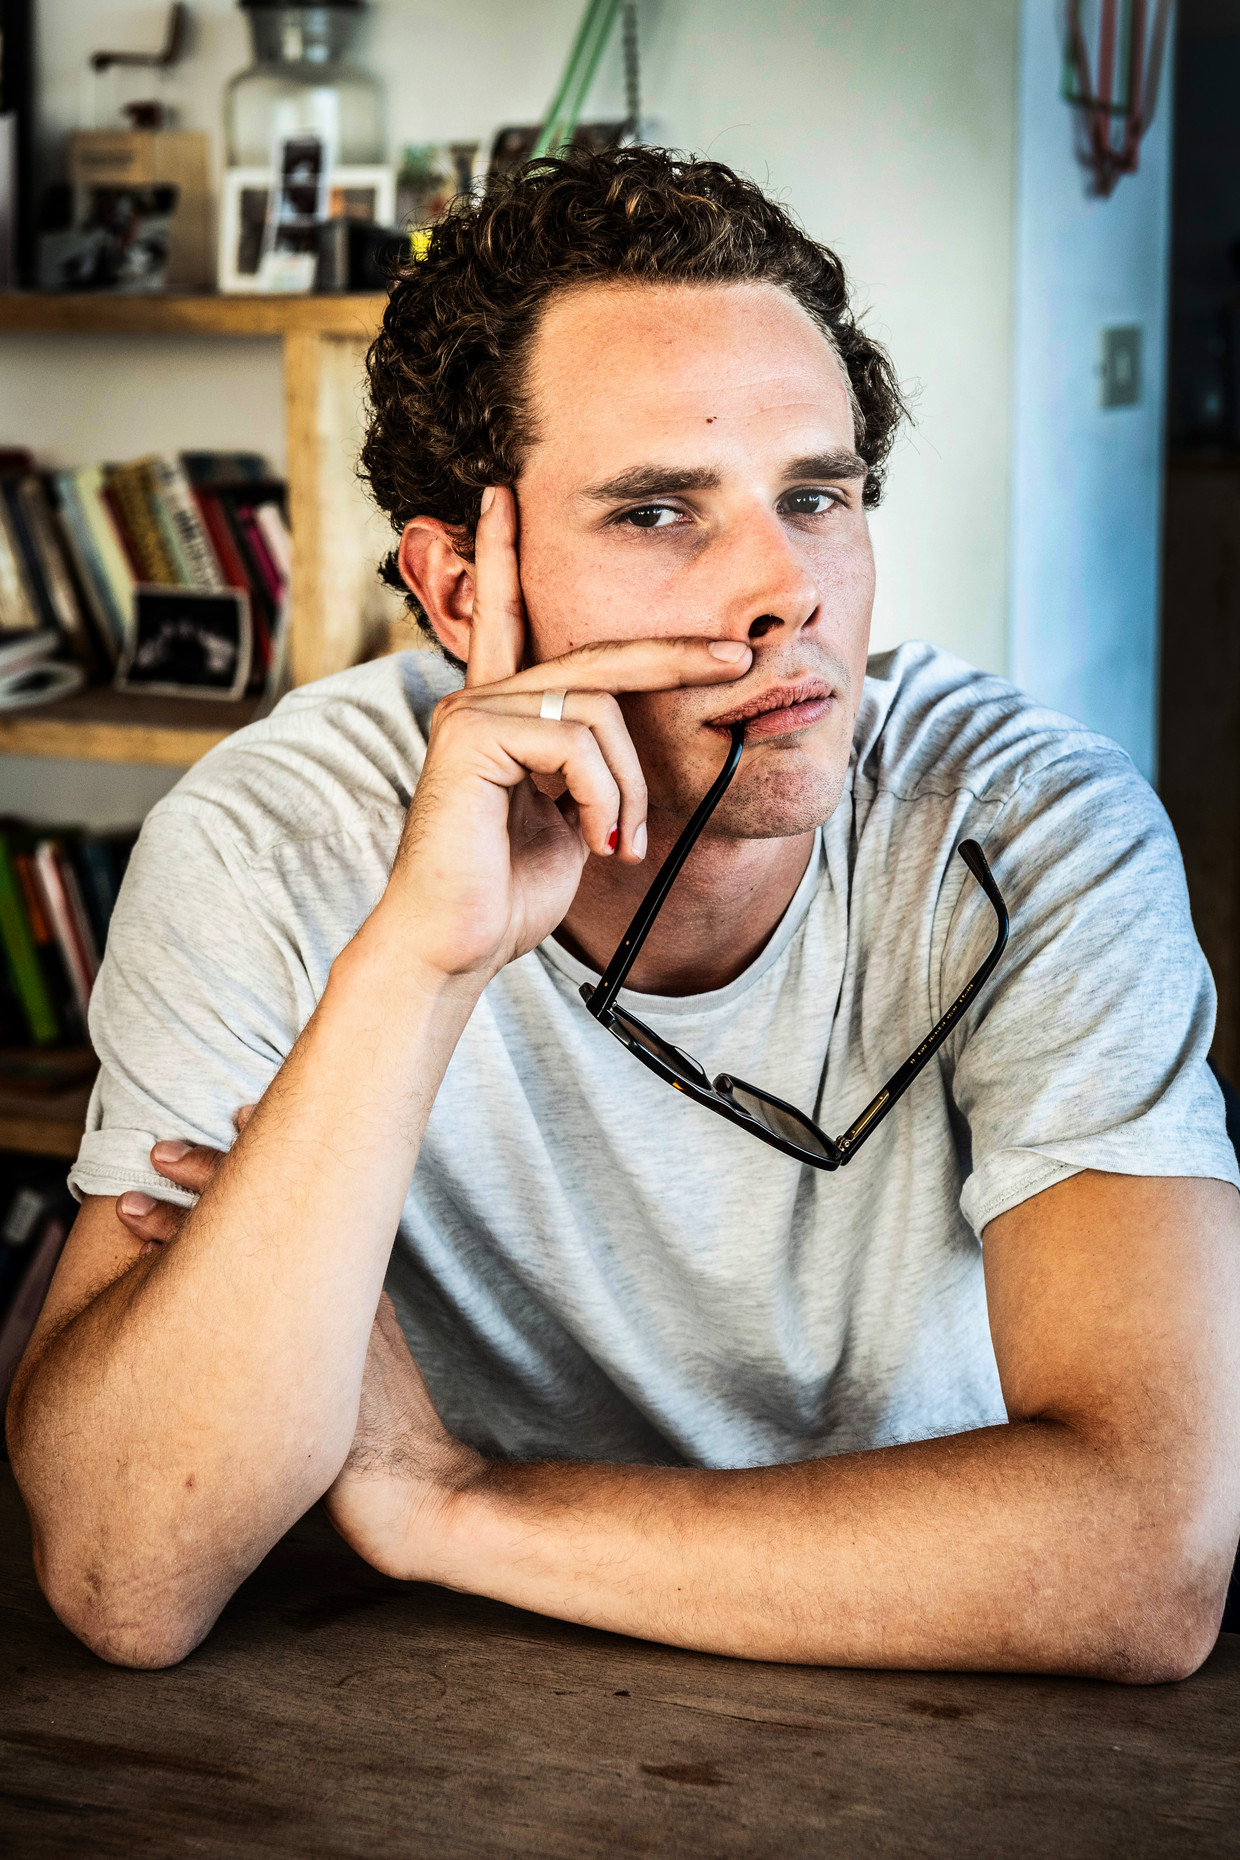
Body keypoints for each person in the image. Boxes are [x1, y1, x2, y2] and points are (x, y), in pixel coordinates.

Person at [8, 148, 1240, 1677]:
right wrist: (418, 959)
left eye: (817, 495)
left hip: (927, 1688)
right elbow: (126, 1568)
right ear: (461, 591)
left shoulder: (1030, 827)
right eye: (660, 511)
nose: (783, 590)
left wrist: (443, 1505)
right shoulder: (277, 836)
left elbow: (1149, 1554)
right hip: (423, 1715)